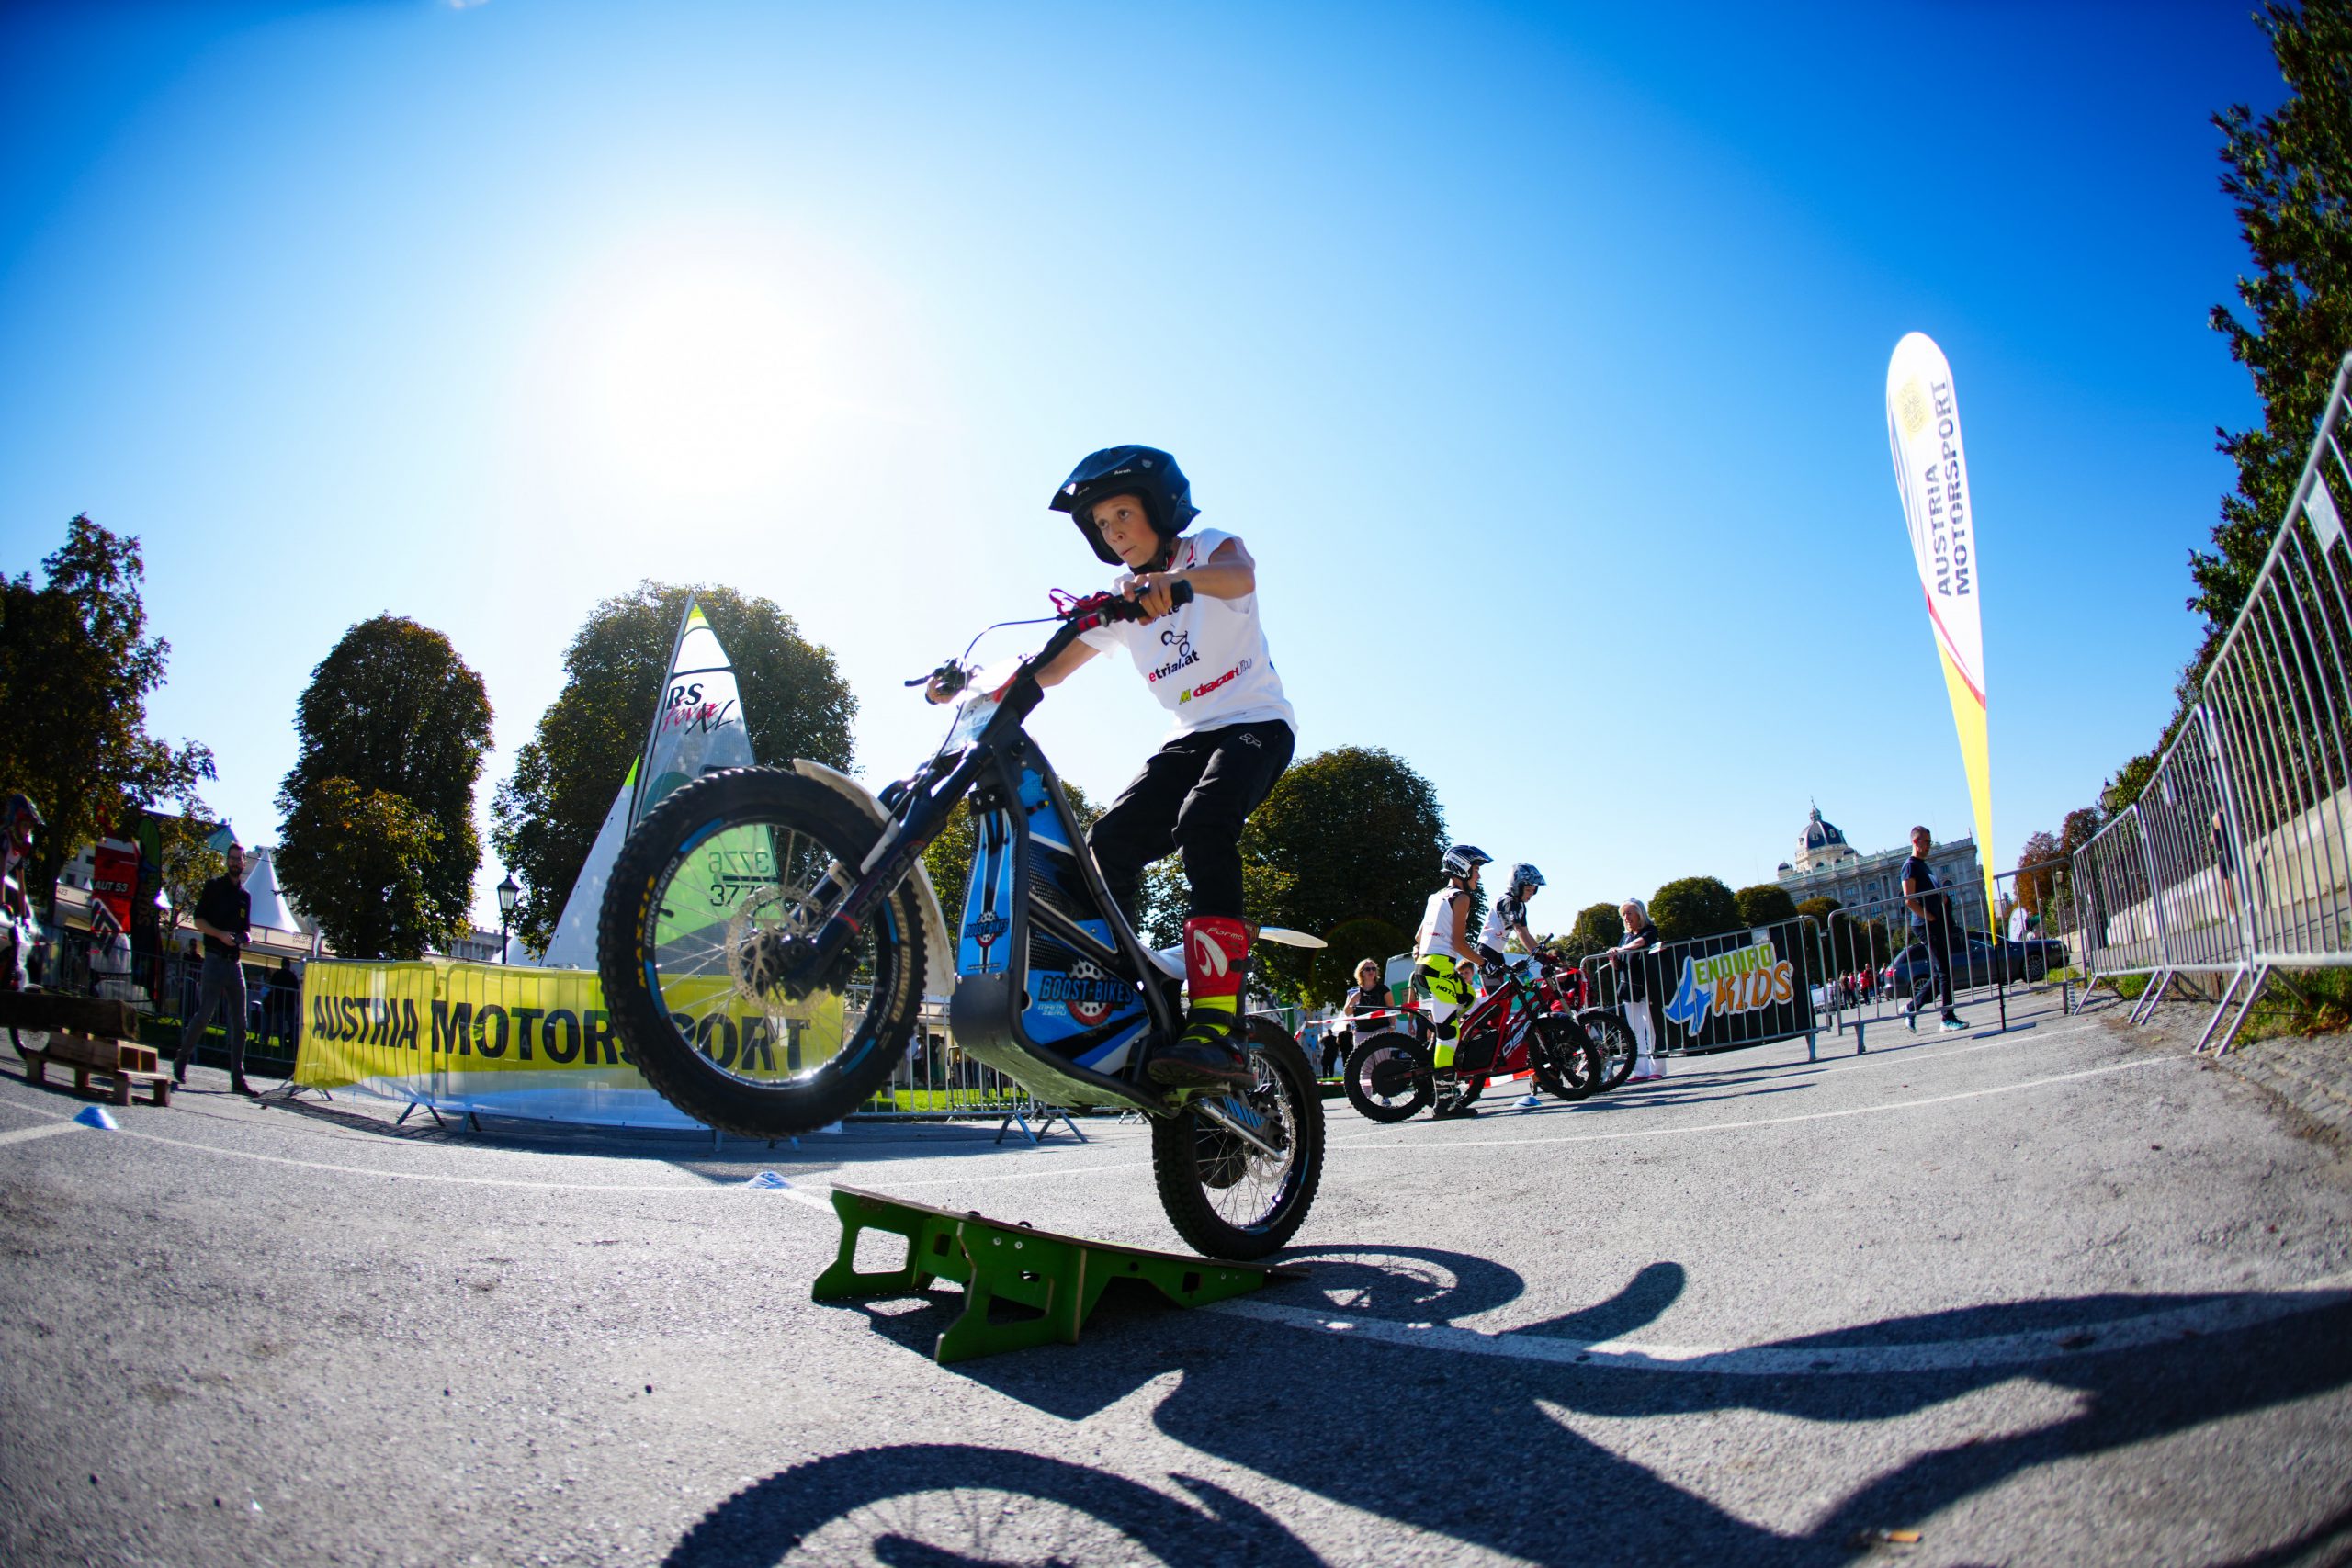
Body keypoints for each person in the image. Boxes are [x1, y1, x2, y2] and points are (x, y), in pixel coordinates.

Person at [937, 446, 1295, 1089]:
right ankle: (1140, 985)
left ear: (1161, 510)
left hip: (1255, 722)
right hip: (1189, 736)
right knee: (1106, 844)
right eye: (1102, 524)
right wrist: (970, 684)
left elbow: (1242, 575)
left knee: (1205, 821)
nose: (1115, 531)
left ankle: (1220, 1025)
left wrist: (1178, 585)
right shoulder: (1117, 601)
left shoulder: (1207, 549)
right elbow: (1047, 668)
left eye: (1125, 513)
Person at [1411, 844, 1488, 1117]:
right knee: (1449, 1034)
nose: (1478, 876)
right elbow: (1459, 943)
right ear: (1462, 868)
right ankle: (1445, 1101)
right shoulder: (1461, 898)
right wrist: (1484, 962)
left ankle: (1441, 1056)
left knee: (1468, 998)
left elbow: (1420, 938)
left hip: (1427, 966)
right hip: (1440, 968)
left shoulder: (1437, 896)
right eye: (1476, 869)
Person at [175, 841, 256, 1094]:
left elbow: (246, 930)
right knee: (204, 1015)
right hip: (213, 957)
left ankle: (237, 1079)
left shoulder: (245, 897)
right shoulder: (214, 888)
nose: (235, 862)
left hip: (235, 962)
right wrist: (220, 935)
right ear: (227, 861)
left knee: (241, 1023)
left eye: (239, 859)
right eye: (231, 858)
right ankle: (182, 1059)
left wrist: (246, 938)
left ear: (244, 863)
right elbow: (198, 920)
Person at [1475, 863, 1551, 1109]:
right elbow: (1521, 933)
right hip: (1487, 955)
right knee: (1496, 1011)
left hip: (1496, 955)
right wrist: (1540, 956)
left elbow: (1526, 934)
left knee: (1514, 1003)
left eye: (1534, 889)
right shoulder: (1509, 902)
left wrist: (1540, 953)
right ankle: (1483, 1051)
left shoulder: (1520, 904)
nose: (1532, 893)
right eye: (1529, 888)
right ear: (1517, 886)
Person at [1902, 825, 1963, 1032]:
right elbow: (1909, 899)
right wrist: (1929, 916)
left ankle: (1912, 1008)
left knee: (1940, 973)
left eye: (1929, 842)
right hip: (1926, 924)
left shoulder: (1923, 866)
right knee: (1943, 972)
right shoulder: (1910, 866)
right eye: (1926, 842)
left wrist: (1942, 897)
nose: (1929, 846)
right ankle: (1947, 1017)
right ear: (1915, 842)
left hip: (1934, 922)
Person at [1608, 897, 1667, 1082]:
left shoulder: (1650, 930)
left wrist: (1622, 949)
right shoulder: (1625, 936)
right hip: (1629, 989)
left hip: (1648, 987)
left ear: (1639, 914)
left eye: (1629, 913)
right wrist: (1613, 957)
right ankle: (1641, 1071)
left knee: (1653, 1028)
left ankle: (1658, 1068)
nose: (1626, 917)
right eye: (1624, 914)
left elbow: (1641, 943)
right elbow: (1617, 965)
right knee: (1634, 1032)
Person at [0, 795, 43, 993]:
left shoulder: (19, 851)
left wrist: (25, 913)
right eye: (26, 826)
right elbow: (1, 874)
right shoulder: (5, 840)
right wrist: (2, 902)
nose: (28, 832)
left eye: (30, 828)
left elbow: (21, 883)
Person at [1328, 957, 1391, 1077]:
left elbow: (1391, 1008)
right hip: (1361, 1032)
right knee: (1365, 1067)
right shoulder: (1353, 992)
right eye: (1367, 969)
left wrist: (1392, 1026)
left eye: (1373, 969)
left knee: (1383, 1063)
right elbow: (1347, 1013)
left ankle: (1386, 1094)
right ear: (1361, 972)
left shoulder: (1383, 989)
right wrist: (1353, 1000)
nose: (1371, 971)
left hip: (1381, 1030)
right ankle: (1365, 1095)